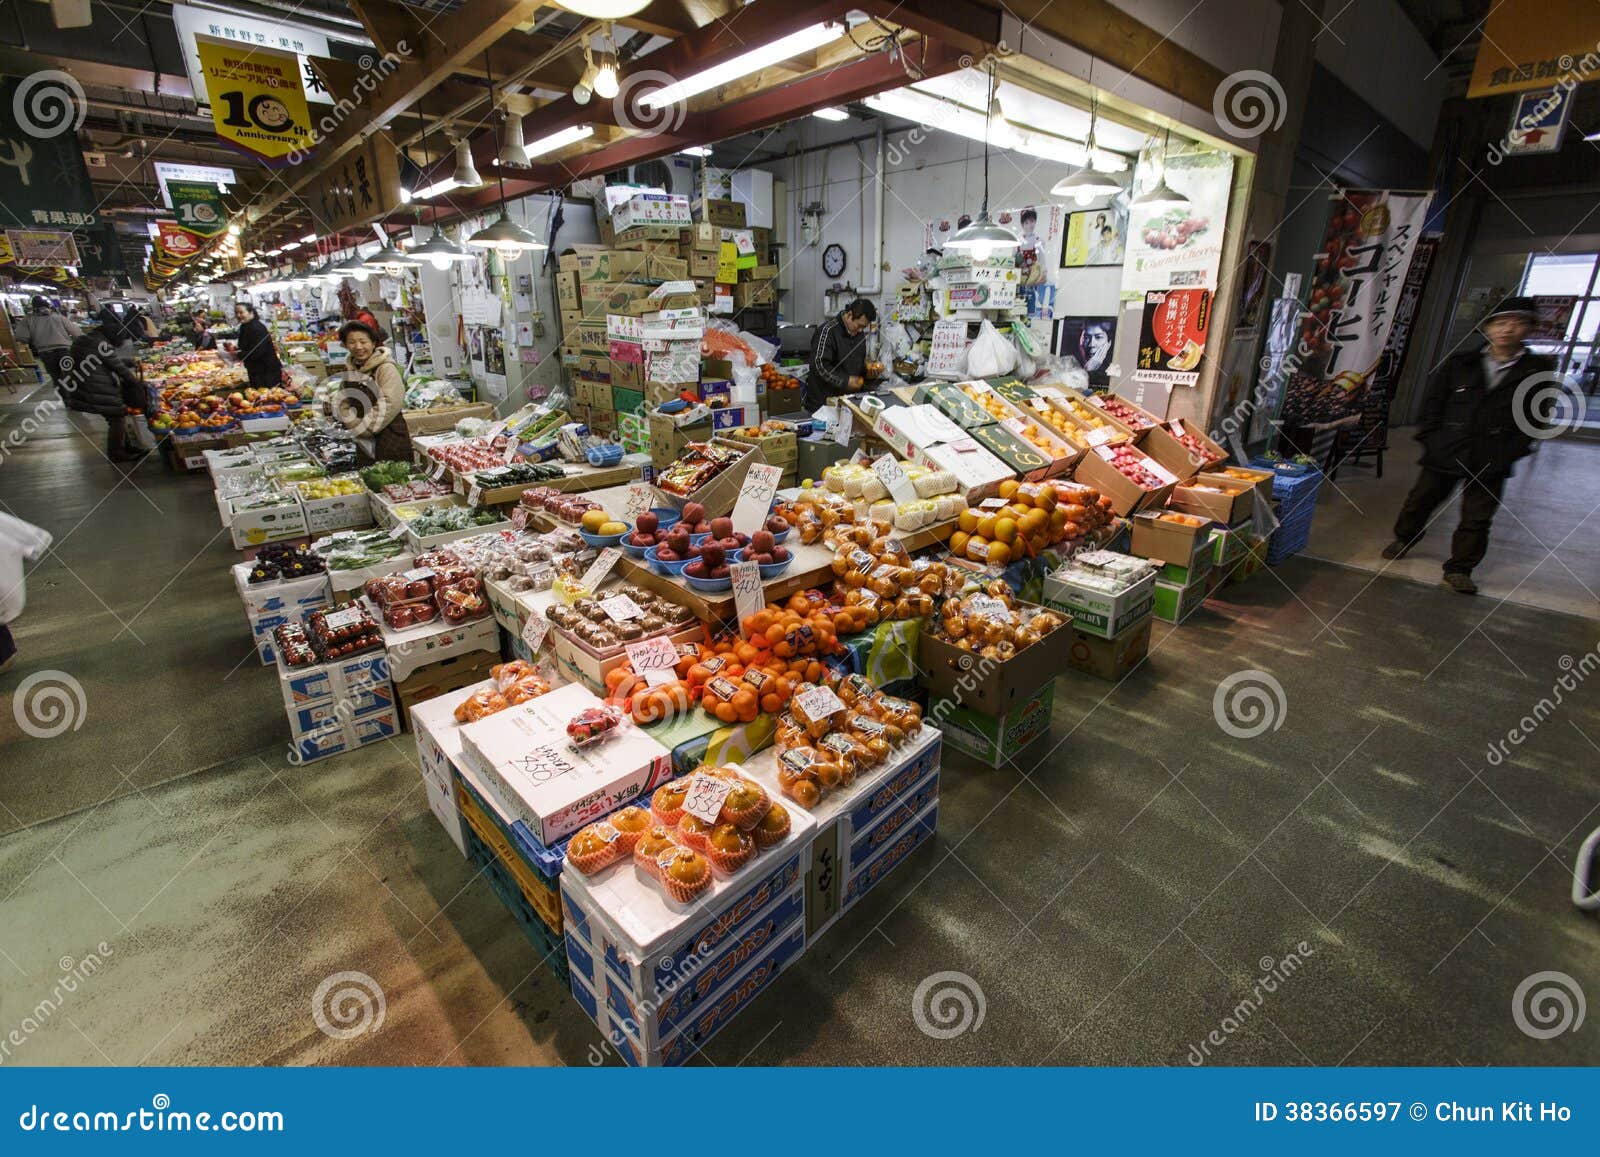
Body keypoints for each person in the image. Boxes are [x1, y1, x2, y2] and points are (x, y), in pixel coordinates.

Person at [1380, 296, 1556, 595]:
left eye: (1517, 323)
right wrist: (1431, 439)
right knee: (1421, 500)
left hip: (1492, 455)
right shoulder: (1461, 363)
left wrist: (1512, 451)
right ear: (1487, 328)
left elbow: (1535, 418)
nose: (1507, 329)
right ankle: (1405, 537)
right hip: (1447, 447)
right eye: (1500, 322)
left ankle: (1460, 568)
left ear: (1528, 328)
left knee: (1477, 516)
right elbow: (1433, 403)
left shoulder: (1536, 371)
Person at [62, 331, 146, 463]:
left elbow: (105, 360)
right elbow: (118, 368)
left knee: (115, 417)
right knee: (116, 418)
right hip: (97, 387)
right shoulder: (101, 345)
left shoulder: (85, 342)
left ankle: (125, 447)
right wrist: (136, 383)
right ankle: (117, 453)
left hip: (87, 386)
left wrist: (127, 362)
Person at [333, 320, 409, 461]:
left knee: (395, 478)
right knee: (369, 477)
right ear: (345, 345)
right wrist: (352, 423)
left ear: (373, 343)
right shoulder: (350, 370)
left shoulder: (385, 368)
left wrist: (365, 427)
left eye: (363, 341)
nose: (358, 347)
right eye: (352, 342)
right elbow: (342, 401)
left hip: (390, 436)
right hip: (362, 441)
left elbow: (390, 402)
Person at [805, 298, 876, 411]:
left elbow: (858, 364)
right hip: (822, 404)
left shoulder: (859, 334)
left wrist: (868, 371)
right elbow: (819, 365)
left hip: (846, 403)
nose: (860, 330)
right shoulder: (827, 331)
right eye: (859, 325)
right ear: (849, 315)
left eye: (864, 327)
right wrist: (845, 381)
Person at [25, 297, 80, 387]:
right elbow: (76, 333)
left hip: (45, 352)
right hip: (63, 350)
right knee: (70, 375)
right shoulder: (58, 317)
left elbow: (22, 337)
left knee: (56, 377)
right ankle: (73, 394)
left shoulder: (29, 320)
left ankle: (64, 396)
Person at [233, 302, 283, 389]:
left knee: (268, 397)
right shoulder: (245, 326)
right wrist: (236, 349)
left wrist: (237, 355)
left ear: (251, 312)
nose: (238, 315)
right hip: (256, 369)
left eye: (241, 312)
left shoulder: (256, 327)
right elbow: (246, 345)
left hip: (266, 371)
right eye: (236, 313)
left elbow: (257, 352)